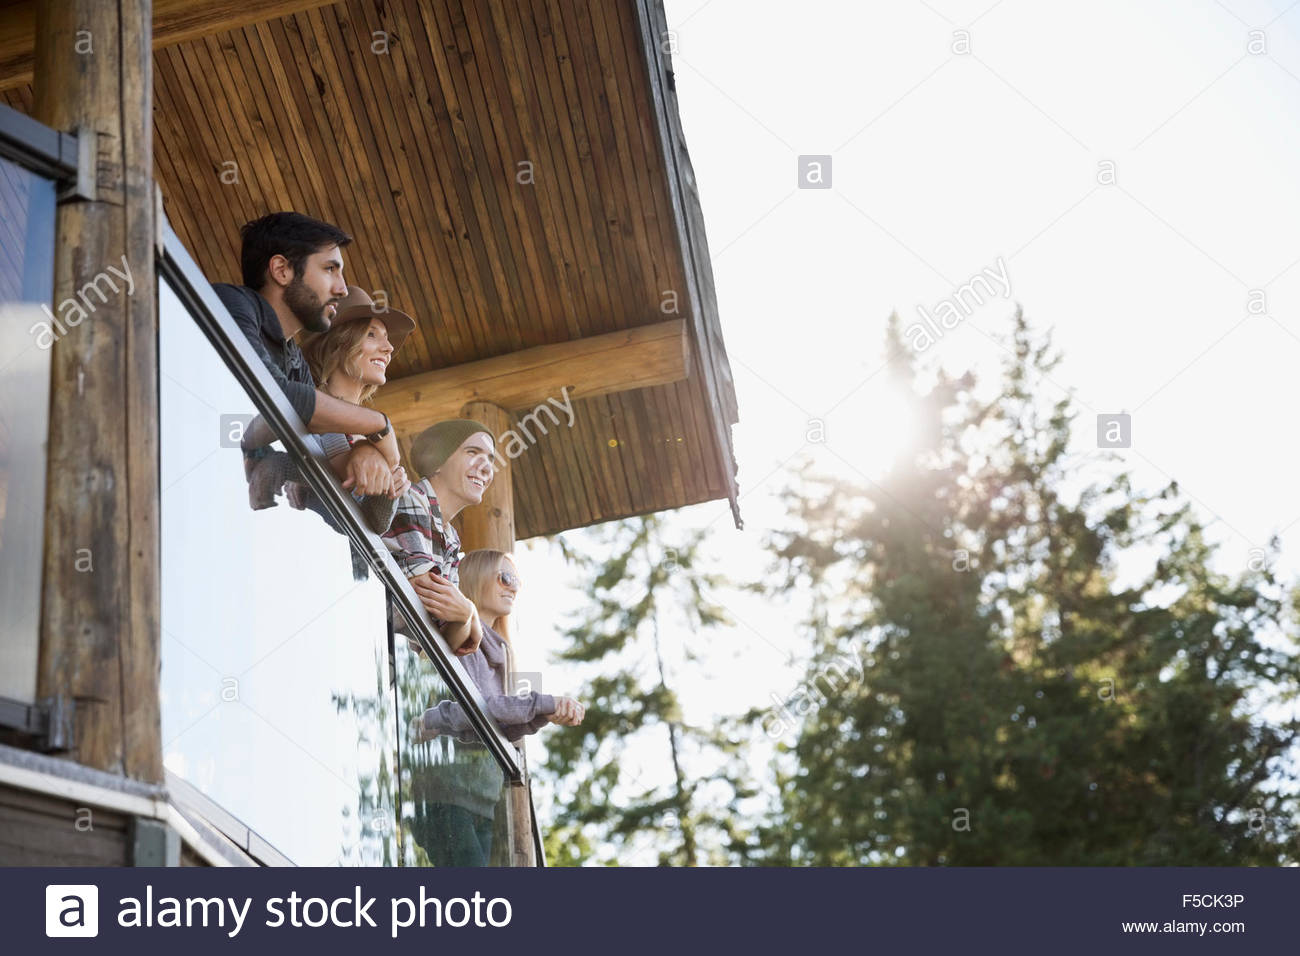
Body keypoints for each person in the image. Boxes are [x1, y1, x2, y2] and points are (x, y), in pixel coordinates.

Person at [406, 550, 585, 867]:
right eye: (506, 577)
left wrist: (544, 716)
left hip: (481, 802)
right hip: (447, 797)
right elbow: (477, 710)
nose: (513, 587)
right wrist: (544, 704)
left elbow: (496, 724)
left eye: (518, 581)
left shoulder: (499, 651)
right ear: (475, 576)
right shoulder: (460, 636)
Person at [212, 211, 402, 498]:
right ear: (282, 270)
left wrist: (364, 450)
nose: (340, 288)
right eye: (330, 269)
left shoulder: (294, 361)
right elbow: (283, 399)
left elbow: (324, 446)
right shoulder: (233, 304)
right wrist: (379, 424)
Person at [244, 285, 415, 534]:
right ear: (339, 342)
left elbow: (374, 525)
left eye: (387, 338)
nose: (388, 348)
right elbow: (266, 460)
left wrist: (386, 488)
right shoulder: (304, 407)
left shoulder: (369, 440)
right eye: (371, 334)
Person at [381, 419, 499, 655]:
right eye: (473, 452)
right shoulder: (409, 498)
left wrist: (465, 615)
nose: (486, 468)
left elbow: (443, 640)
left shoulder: (451, 539)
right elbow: (430, 601)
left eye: (490, 459)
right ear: (438, 462)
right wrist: (469, 614)